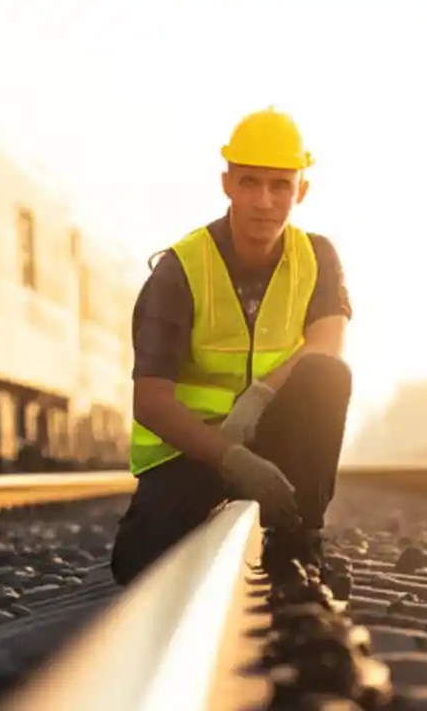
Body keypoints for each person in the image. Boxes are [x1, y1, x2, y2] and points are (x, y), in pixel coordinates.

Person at [109, 106, 353, 587]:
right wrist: (230, 457)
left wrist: (259, 397)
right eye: (250, 182)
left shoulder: (317, 257)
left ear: (300, 190)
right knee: (136, 566)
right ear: (227, 183)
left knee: (328, 375)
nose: (264, 200)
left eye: (280, 184)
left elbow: (326, 347)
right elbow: (151, 400)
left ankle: (300, 540)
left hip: (271, 439)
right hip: (194, 451)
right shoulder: (180, 269)